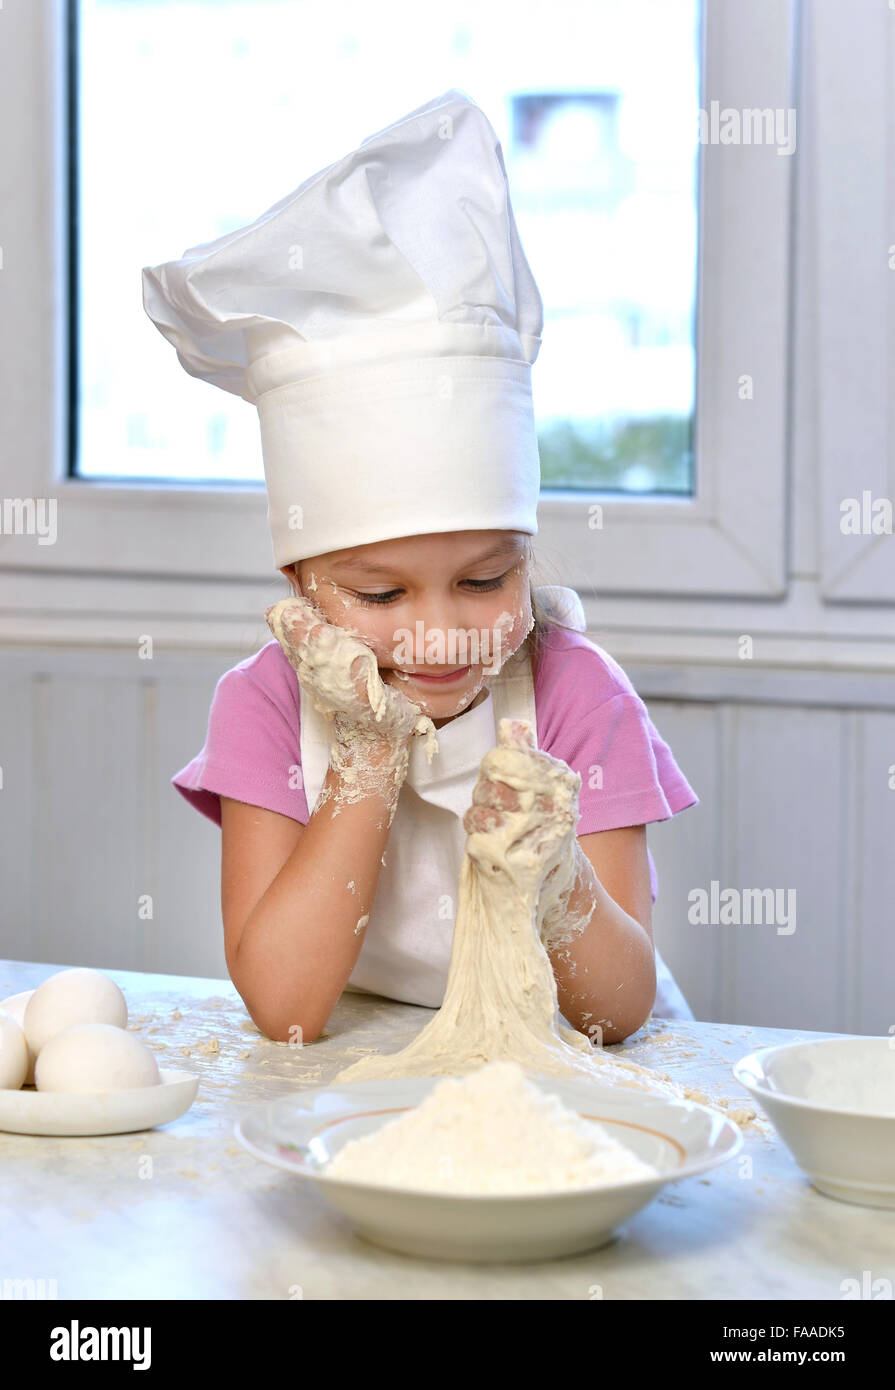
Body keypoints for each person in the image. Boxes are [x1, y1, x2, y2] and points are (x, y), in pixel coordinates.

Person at [142, 89, 698, 1047]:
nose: (437, 627)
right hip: (365, 1065)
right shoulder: (266, 706)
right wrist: (363, 763)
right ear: (300, 592)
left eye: (485, 580)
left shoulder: (574, 691)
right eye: (378, 593)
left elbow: (615, 1013)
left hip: (563, 1069)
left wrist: (553, 870)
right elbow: (284, 1008)